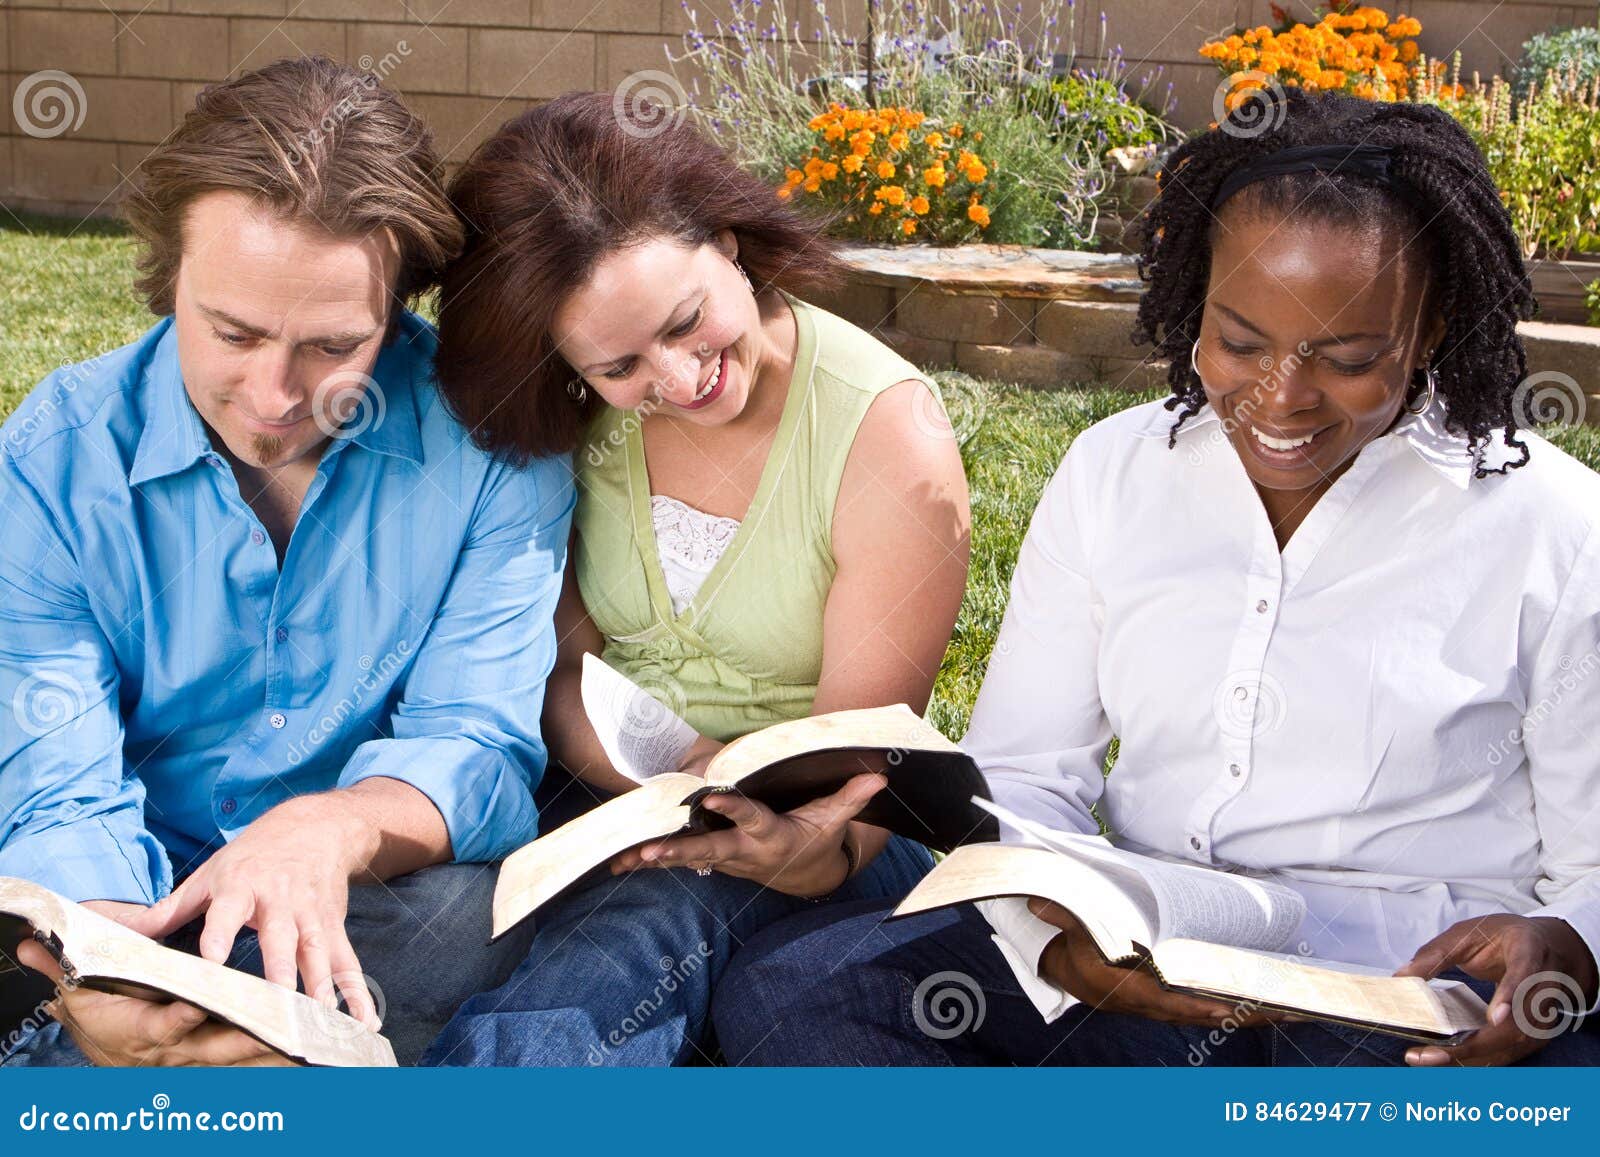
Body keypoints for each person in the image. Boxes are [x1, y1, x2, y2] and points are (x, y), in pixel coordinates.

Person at [712, 89, 1600, 1066]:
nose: (1280, 396)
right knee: (793, 991)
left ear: (1429, 329)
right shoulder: (1115, 471)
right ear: (1193, 301)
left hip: (1396, 997)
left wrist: (1568, 946)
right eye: (1239, 341)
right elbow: (1023, 771)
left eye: (1347, 358)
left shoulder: (1551, 527)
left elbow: (1590, 863)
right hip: (1141, 964)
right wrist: (1056, 935)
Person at [0, 56, 573, 1067]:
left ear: (398, 306)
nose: (274, 393)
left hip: (361, 897)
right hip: (123, 888)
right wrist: (103, 961)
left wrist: (331, 825)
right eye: (233, 331)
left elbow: (477, 741)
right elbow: (58, 785)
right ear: (168, 269)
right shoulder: (53, 458)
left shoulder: (491, 445)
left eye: (332, 345)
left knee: (470, 918)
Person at [421, 91, 970, 1066]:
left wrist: (756, 820)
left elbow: (860, 773)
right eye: (619, 365)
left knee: (644, 920)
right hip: (597, 783)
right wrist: (677, 775)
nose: (678, 380)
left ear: (726, 240)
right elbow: (560, 666)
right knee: (436, 909)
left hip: (824, 837)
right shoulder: (574, 420)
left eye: (687, 321)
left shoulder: (888, 435)